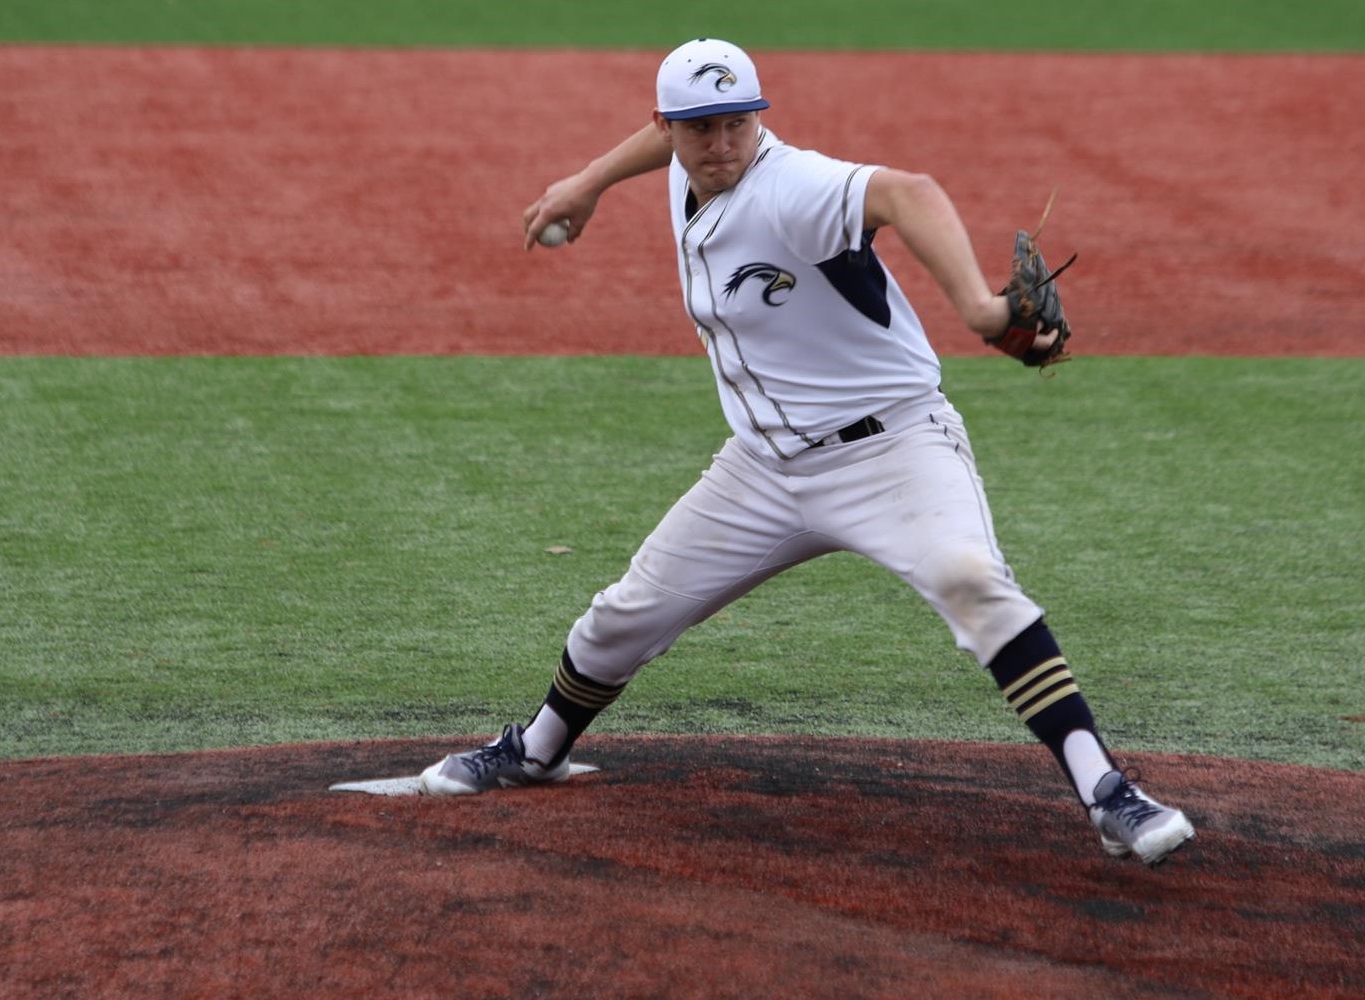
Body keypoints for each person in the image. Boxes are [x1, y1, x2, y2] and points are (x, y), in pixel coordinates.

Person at [418, 38, 1193, 865]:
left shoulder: (794, 188)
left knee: (971, 582)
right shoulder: (687, 160)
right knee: (625, 614)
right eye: (700, 128)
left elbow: (907, 191)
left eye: (737, 124)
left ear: (761, 118)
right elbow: (661, 142)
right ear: (671, 127)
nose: (720, 145)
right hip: (761, 468)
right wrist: (589, 180)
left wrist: (975, 305)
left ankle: (1109, 791)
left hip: (888, 451)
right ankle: (537, 749)